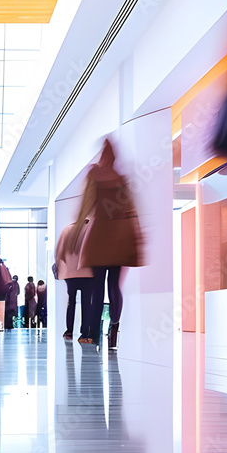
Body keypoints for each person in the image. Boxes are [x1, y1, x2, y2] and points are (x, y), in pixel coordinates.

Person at [75, 138, 143, 350]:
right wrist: (137, 239)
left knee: (97, 289)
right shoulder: (122, 179)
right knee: (114, 286)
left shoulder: (94, 174)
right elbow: (132, 210)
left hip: (99, 239)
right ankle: (114, 332)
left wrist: (76, 233)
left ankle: (94, 335)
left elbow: (85, 206)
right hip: (121, 240)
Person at [55, 219, 93, 341]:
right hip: (88, 272)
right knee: (86, 303)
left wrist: (64, 267)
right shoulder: (90, 230)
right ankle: (85, 332)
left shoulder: (67, 230)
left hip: (70, 273)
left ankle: (69, 331)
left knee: (71, 302)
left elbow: (59, 253)